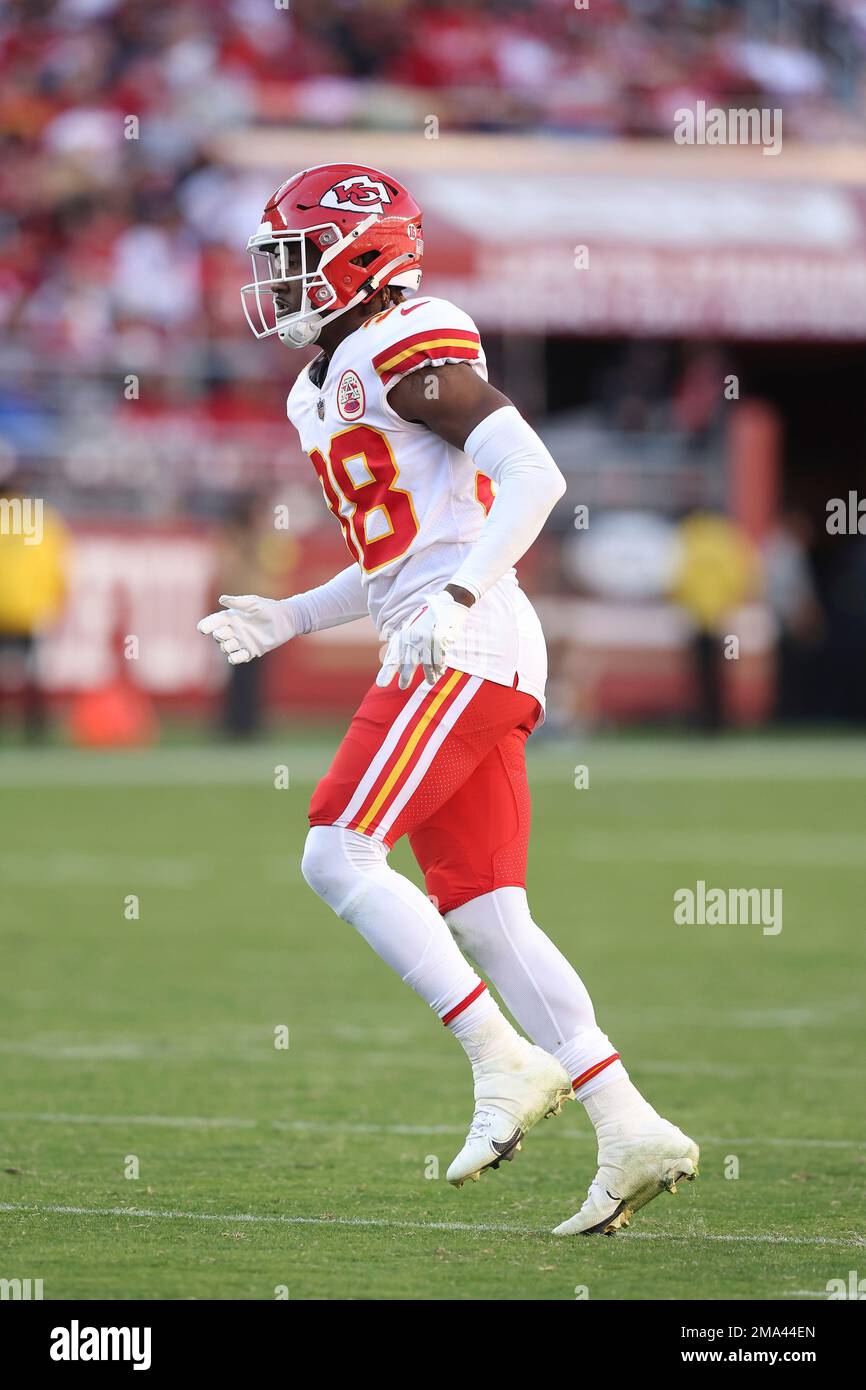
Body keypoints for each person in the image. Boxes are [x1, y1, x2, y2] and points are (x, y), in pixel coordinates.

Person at [197, 165, 697, 1235]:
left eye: (294, 259)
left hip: (460, 641)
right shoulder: (322, 380)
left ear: (363, 255)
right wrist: (288, 617)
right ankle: (629, 1124)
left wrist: (462, 589)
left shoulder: (400, 341)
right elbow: (395, 558)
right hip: (452, 634)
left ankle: (500, 1059)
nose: (276, 284)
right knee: (485, 908)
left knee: (337, 850)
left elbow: (533, 477)